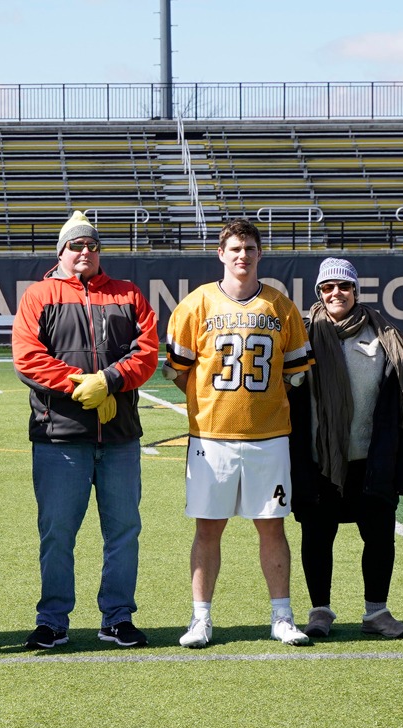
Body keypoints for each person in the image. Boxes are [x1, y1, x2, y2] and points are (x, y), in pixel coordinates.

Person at [163, 220, 315, 648]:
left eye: (249, 247)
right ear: (220, 254)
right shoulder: (196, 305)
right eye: (234, 248)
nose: (242, 255)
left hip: (269, 438)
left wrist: (261, 405)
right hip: (212, 437)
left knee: (272, 527)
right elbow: (178, 371)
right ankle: (200, 619)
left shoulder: (280, 306)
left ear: (260, 253)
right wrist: (212, 402)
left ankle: (281, 616)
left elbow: (295, 374)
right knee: (208, 529)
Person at [13, 211, 160, 649]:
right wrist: (82, 386)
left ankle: (117, 617)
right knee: (57, 532)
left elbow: (148, 352)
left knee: (123, 532)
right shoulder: (39, 295)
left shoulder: (129, 293)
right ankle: (53, 620)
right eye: (76, 245)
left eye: (92, 246)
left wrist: (110, 381)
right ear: (61, 251)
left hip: (119, 438)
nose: (85, 252)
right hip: (59, 437)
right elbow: (27, 357)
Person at [291, 256, 403, 641]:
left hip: (372, 457)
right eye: (328, 287)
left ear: (356, 290)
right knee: (317, 536)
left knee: (380, 536)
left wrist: (400, 462)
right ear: (319, 292)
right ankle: (320, 611)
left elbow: (399, 404)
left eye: (345, 286)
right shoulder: (301, 336)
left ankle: (377, 612)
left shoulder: (385, 336)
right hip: (320, 461)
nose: (337, 293)